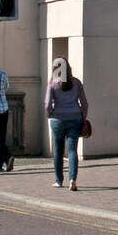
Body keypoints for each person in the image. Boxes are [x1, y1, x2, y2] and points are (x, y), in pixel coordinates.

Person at [46, 57, 88, 190]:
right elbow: (85, 103)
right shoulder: (76, 83)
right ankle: (72, 179)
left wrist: (50, 114)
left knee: (58, 151)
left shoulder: (52, 84)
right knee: (72, 150)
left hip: (57, 119)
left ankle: (59, 181)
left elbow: (47, 104)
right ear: (68, 67)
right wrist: (83, 116)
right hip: (75, 118)